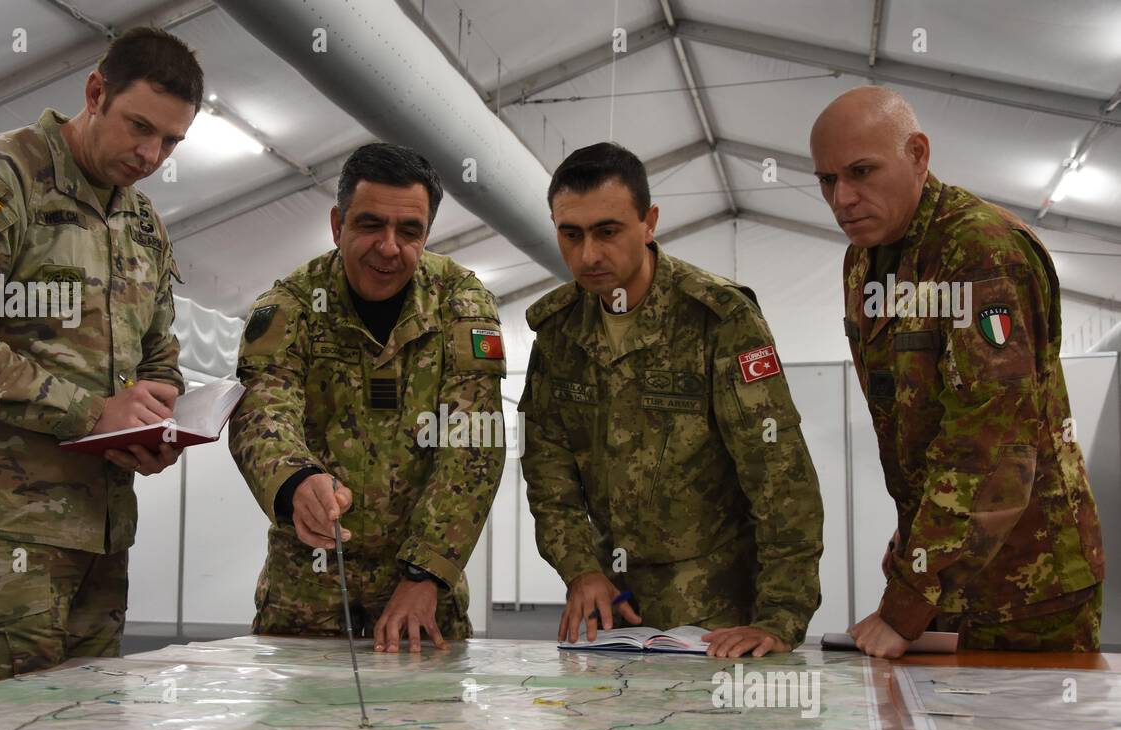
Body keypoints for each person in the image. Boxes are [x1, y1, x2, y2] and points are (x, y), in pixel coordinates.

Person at [0, 27, 202, 686]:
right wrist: (94, 413)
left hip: (99, 529)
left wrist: (157, 416)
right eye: (139, 127)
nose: (151, 153)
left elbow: (159, 345)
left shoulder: (141, 221)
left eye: (172, 141)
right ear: (95, 93)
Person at [810, 86, 1105, 656]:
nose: (843, 197)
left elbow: (991, 442)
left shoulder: (981, 251)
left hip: (1028, 582)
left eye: (861, 171)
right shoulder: (865, 261)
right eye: (826, 180)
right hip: (949, 571)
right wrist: (916, 547)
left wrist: (907, 601)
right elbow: (918, 422)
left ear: (918, 154)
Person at [519, 142, 824, 657]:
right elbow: (548, 470)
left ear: (650, 222)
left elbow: (779, 475)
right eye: (571, 235)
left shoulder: (718, 319)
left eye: (608, 232)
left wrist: (780, 617)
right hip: (610, 613)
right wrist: (581, 570)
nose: (588, 255)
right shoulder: (558, 329)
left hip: (718, 616)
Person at [229, 143, 506, 653]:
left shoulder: (460, 303)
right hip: (307, 591)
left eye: (409, 232)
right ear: (337, 224)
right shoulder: (293, 305)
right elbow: (261, 413)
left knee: (423, 728)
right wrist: (295, 480)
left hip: (423, 597)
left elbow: (475, 445)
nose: (388, 247)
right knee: (299, 728)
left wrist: (425, 574)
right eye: (370, 225)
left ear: (427, 233)